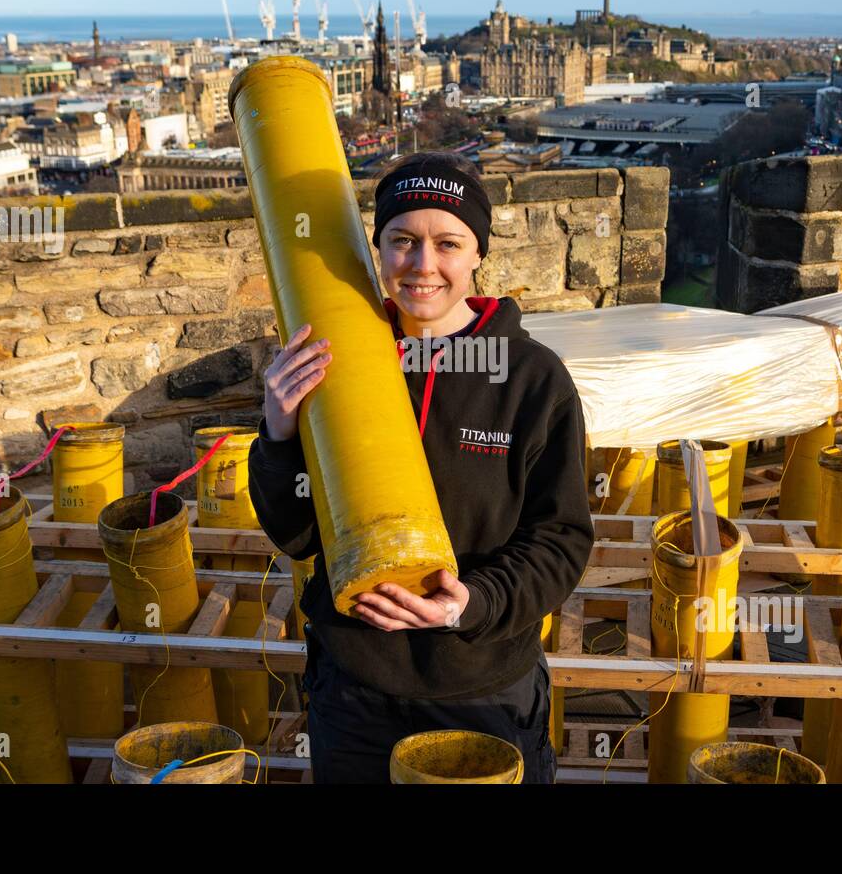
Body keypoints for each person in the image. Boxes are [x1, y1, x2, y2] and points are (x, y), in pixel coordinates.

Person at [248, 151, 594, 784]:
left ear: (477, 254)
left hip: (482, 685)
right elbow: (295, 533)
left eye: (448, 243)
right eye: (402, 240)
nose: (423, 265)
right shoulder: (334, 362)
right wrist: (277, 431)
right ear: (377, 248)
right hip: (354, 688)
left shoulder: (532, 380)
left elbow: (561, 539)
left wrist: (473, 603)